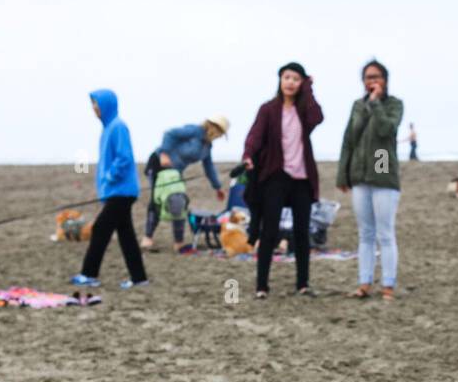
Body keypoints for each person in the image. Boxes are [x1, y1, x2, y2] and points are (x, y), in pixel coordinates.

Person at [243, 62, 324, 298]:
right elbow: (254, 136)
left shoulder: (304, 111)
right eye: (287, 77)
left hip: (301, 178)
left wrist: (309, 88)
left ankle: (303, 284)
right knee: (269, 231)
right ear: (280, 80)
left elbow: (318, 117)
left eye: (296, 79)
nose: (290, 82)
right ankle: (261, 286)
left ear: (301, 83)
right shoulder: (268, 109)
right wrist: (248, 156)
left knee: (301, 232)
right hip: (275, 176)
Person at [337, 60, 404, 301]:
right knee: (365, 232)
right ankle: (364, 282)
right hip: (359, 174)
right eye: (367, 77)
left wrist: (376, 104)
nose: (371, 81)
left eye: (376, 76)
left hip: (382, 167)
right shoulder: (357, 106)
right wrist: (342, 173)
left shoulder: (394, 104)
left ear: (385, 79)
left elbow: (386, 130)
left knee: (384, 233)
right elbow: (349, 140)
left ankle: (388, 284)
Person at [72, 89, 149, 290]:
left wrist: (110, 177)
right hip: (115, 192)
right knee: (126, 235)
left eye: (96, 104)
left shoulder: (118, 127)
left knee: (100, 229)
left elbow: (124, 158)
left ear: (106, 105)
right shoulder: (107, 129)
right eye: (92, 104)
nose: (94, 109)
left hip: (121, 191)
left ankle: (89, 274)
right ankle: (139, 278)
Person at [141, 116, 229, 253]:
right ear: (213, 127)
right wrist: (164, 153)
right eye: (220, 132)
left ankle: (179, 242)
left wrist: (217, 187)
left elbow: (209, 166)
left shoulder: (207, 146)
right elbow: (169, 133)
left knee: (179, 202)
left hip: (175, 172)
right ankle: (148, 237)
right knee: (157, 200)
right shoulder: (194, 131)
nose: (219, 136)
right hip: (159, 163)